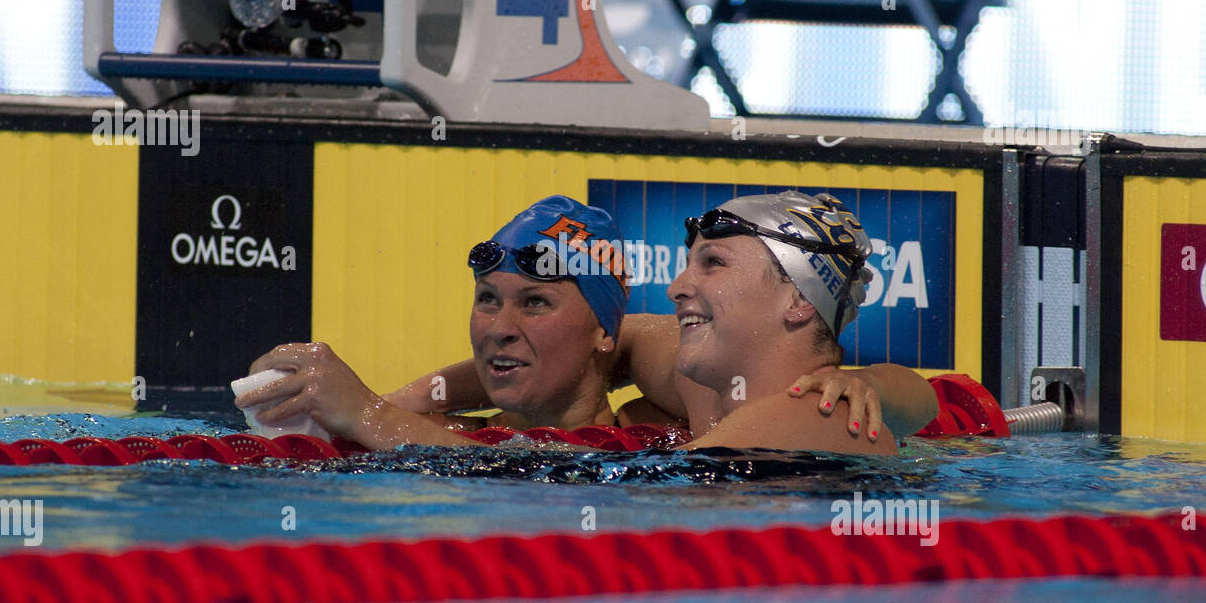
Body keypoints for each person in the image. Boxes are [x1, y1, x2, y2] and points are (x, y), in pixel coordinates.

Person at [237, 196, 933, 452]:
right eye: (487, 298)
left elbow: (604, 476)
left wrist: (370, 416)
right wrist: (402, 403)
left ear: (797, 300)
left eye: (712, 264)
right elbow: (621, 337)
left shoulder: (806, 414)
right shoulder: (703, 391)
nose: (679, 283)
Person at [663, 190, 908, 453]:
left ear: (799, 299)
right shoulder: (714, 392)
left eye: (714, 262)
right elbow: (630, 336)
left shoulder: (811, 419)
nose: (676, 288)